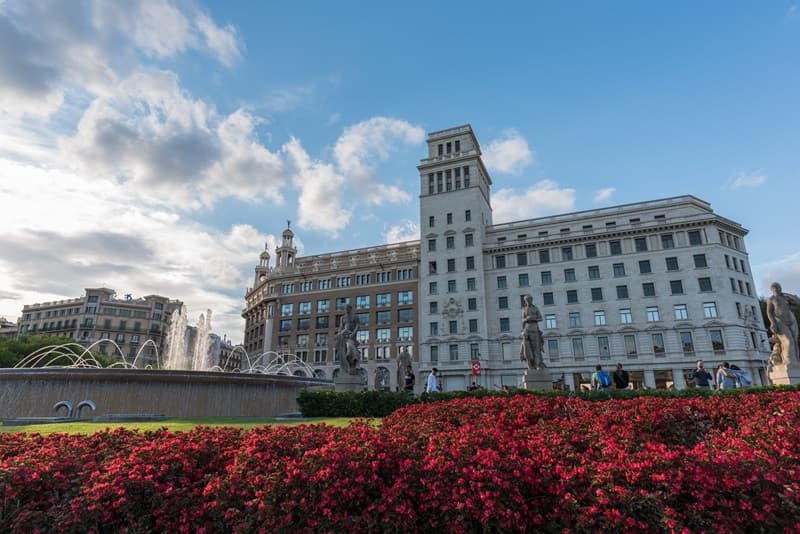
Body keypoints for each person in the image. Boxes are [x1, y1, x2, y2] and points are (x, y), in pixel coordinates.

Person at [765, 282, 799, 367]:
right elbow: (769, 312)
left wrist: (786, 294)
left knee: (795, 341)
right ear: (772, 290)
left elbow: (797, 301)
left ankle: (796, 360)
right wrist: (772, 322)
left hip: (791, 320)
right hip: (779, 321)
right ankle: (788, 361)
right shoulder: (771, 299)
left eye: (779, 288)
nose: (778, 289)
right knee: (788, 340)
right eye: (776, 288)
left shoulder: (785, 298)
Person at [519, 294, 545, 369]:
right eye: (527, 300)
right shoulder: (524, 309)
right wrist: (526, 320)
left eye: (529, 300)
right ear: (525, 301)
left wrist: (533, 318)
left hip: (534, 329)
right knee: (527, 347)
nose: (528, 301)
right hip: (527, 329)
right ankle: (529, 364)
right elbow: (522, 320)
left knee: (536, 347)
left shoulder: (535, 308)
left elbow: (540, 318)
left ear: (531, 300)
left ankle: (537, 364)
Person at [335, 304, 360, 375]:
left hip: (351, 335)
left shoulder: (355, 316)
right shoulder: (342, 318)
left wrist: (353, 334)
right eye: (345, 309)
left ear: (350, 308)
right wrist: (339, 333)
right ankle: (343, 358)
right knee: (340, 347)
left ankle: (353, 357)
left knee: (350, 345)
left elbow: (357, 326)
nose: (345, 310)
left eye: (347, 308)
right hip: (344, 334)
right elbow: (341, 326)